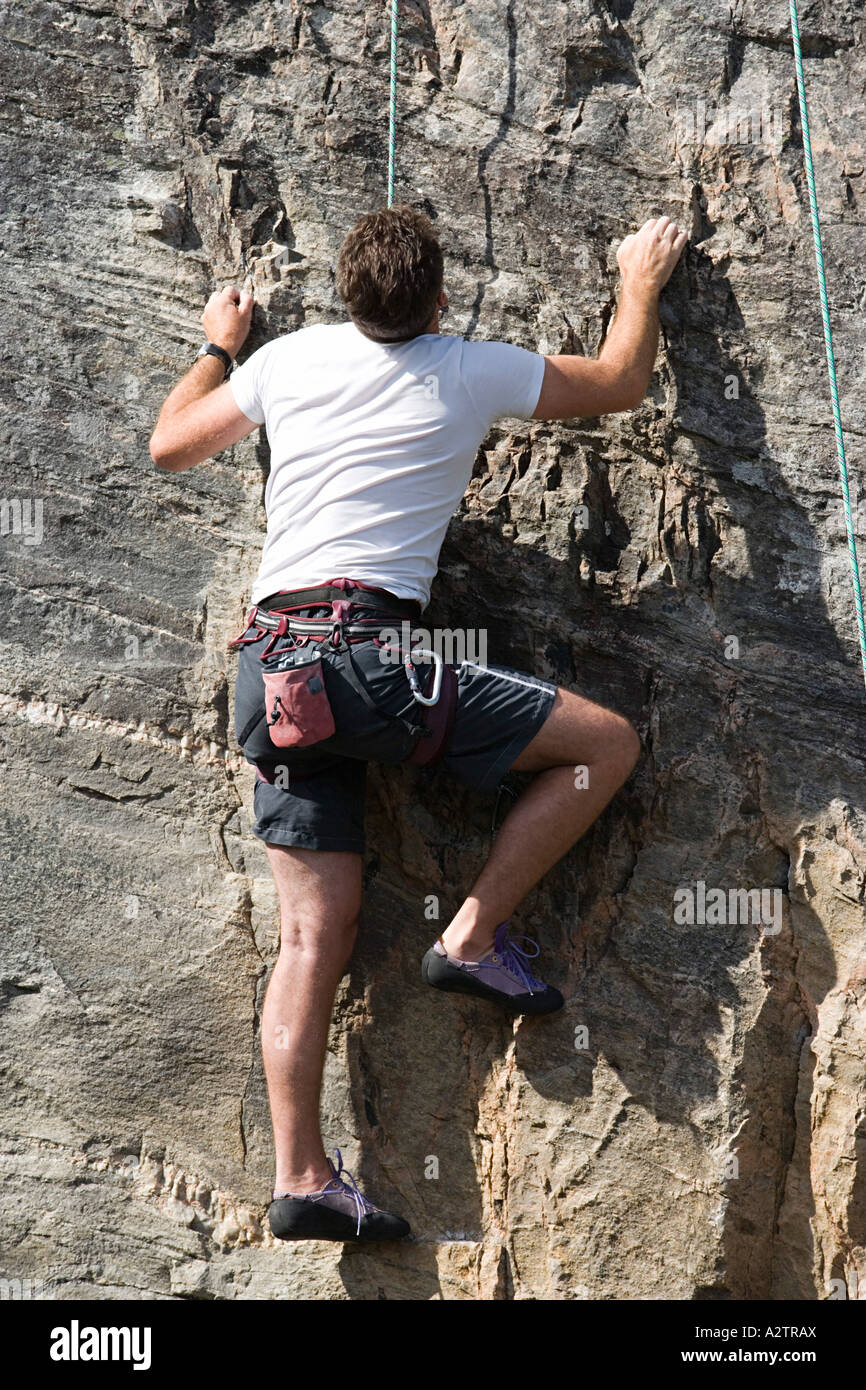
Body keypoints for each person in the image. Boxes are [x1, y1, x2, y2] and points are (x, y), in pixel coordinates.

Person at [149, 206, 688, 1243]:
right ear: (439, 301)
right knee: (604, 744)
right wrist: (637, 278)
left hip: (269, 670)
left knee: (311, 934)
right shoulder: (470, 368)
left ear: (347, 297)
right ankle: (472, 935)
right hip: (364, 658)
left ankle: (302, 1174)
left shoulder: (288, 360)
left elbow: (172, 443)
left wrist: (222, 345)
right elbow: (620, 380)